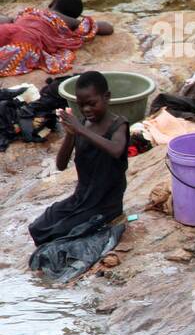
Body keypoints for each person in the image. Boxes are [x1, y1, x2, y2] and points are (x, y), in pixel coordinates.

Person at [28, 70, 129, 245]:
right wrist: (70, 135)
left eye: (91, 104)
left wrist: (81, 130)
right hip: (81, 198)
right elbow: (60, 165)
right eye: (81, 105)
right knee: (37, 228)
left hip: (105, 204)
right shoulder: (81, 124)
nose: (86, 110)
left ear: (107, 97)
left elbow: (116, 150)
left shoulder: (118, 125)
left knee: (55, 235)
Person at [0, 0, 114, 78]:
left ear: (52, 3)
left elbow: (7, 20)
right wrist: (79, 22)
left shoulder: (32, 12)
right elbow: (107, 28)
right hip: (28, 41)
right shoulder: (67, 21)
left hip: (8, 30)